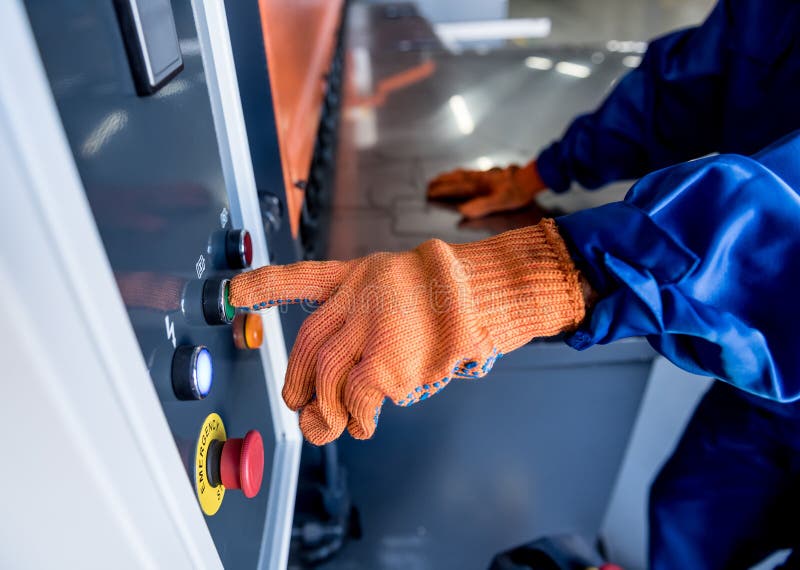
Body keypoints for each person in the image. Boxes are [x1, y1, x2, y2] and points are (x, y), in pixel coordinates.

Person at [228, 1, 800, 567]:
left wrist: (523, 280)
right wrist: (542, 172)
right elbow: (690, 86)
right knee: (689, 513)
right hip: (760, 391)